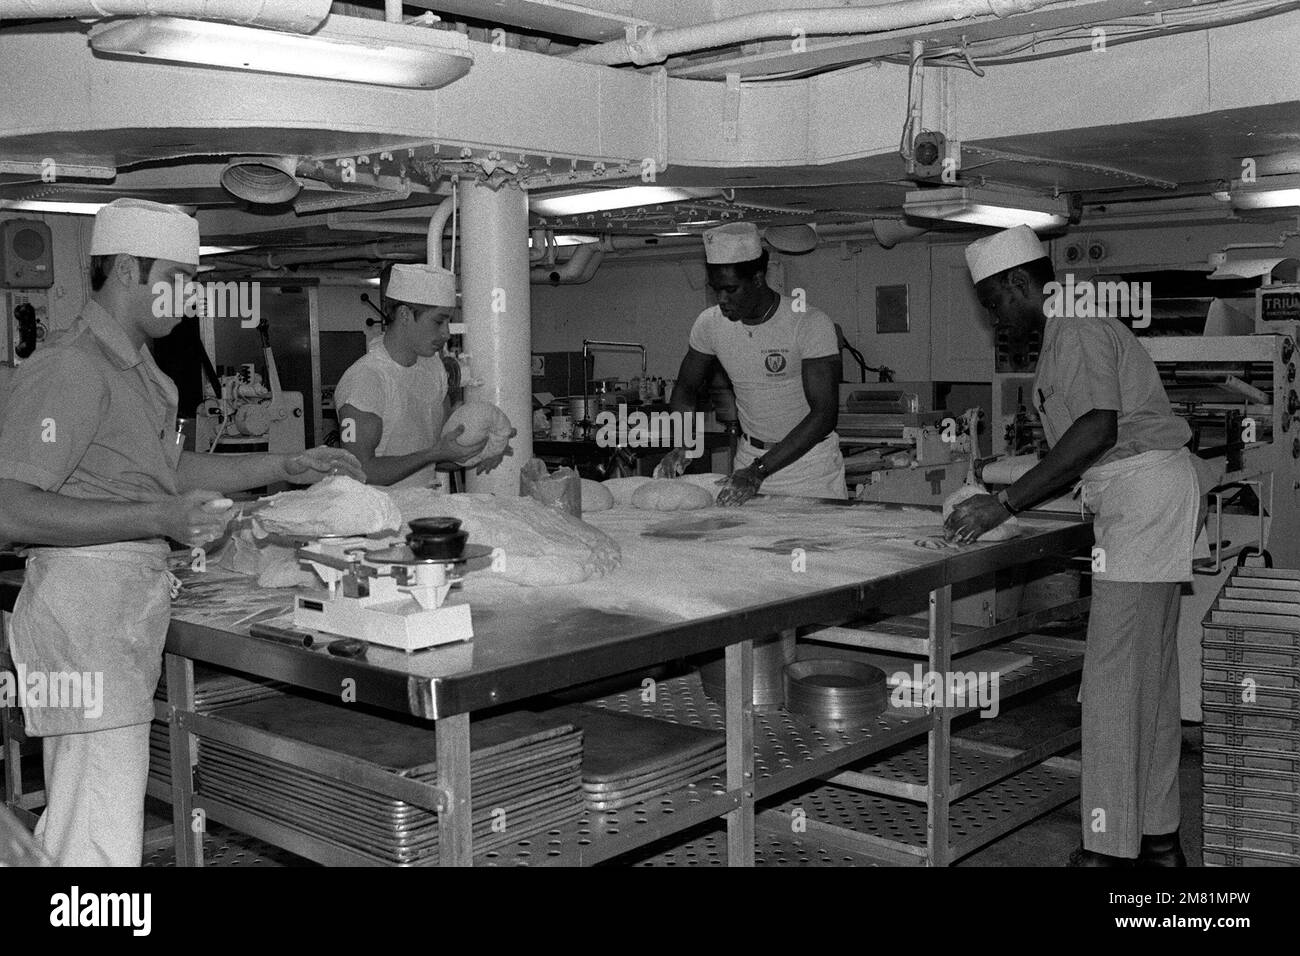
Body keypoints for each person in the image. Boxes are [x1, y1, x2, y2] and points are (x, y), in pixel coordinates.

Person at [0, 198, 364, 866]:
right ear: (130, 272)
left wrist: (284, 465)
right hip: (83, 617)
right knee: (98, 831)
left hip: (118, 616)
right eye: (178, 277)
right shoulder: (71, 367)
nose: (190, 296)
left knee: (91, 814)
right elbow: (10, 509)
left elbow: (166, 468)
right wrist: (159, 519)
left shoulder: (143, 374)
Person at [945, 224, 1201, 867]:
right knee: (1150, 682)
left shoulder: (1077, 328)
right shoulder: (1070, 327)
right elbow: (1084, 441)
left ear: (1020, 283)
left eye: (995, 303)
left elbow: (1094, 430)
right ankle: (1159, 839)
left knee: (1114, 686)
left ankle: (1111, 852)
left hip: (1140, 502)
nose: (995, 318)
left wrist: (1005, 502)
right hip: (1146, 497)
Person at [661, 222, 846, 504]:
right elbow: (686, 389)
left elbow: (824, 415)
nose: (721, 300)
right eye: (716, 289)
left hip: (809, 470)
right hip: (748, 462)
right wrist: (684, 443)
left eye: (731, 289)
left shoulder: (807, 322)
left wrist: (759, 470)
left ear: (758, 278)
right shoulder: (710, 324)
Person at [335, 263, 511, 488]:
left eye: (448, 321)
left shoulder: (432, 368)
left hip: (424, 512)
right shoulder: (364, 381)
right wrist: (434, 454)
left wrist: (481, 449)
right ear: (405, 315)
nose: (446, 332)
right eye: (438, 321)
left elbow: (438, 455)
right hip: (378, 518)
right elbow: (359, 470)